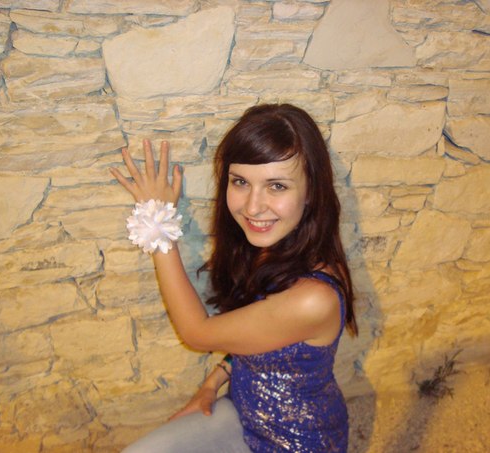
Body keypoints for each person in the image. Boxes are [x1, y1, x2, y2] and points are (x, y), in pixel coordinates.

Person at [110, 104, 358, 452]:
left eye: (277, 186)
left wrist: (158, 224)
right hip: (243, 412)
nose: (253, 207)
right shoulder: (273, 247)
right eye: (240, 182)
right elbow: (262, 341)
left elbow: (197, 333)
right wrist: (212, 382)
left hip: (296, 443)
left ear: (311, 193)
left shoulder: (313, 298)